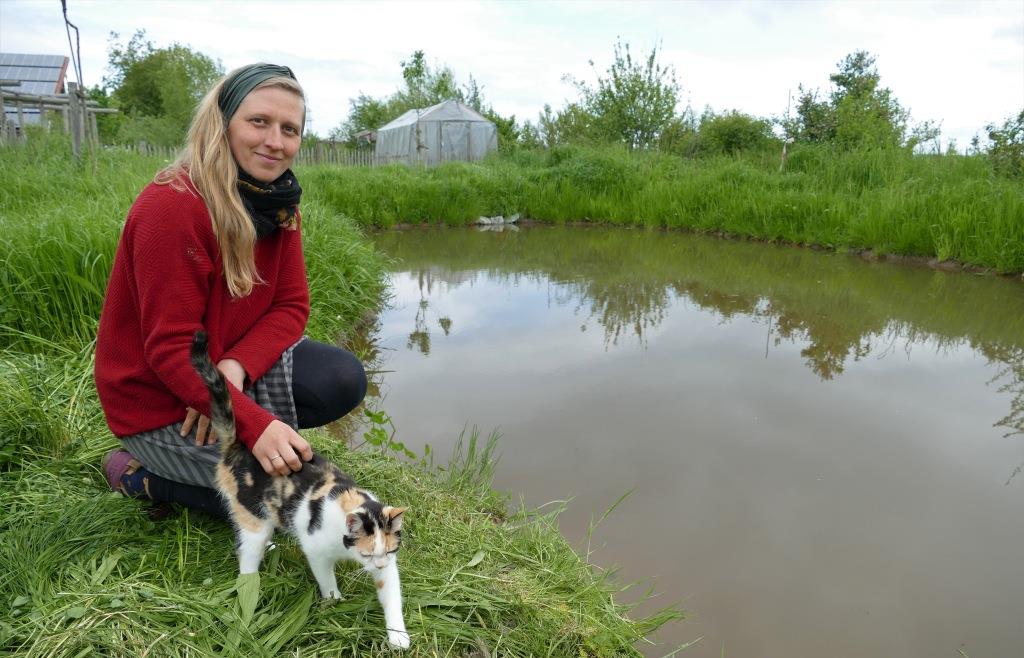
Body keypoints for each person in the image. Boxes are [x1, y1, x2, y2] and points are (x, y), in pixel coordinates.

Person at [96, 63, 367, 519]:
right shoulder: (173, 206)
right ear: (222, 123)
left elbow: (291, 305)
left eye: (289, 129)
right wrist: (256, 425)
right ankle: (137, 474)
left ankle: (226, 444)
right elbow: (171, 349)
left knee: (342, 378)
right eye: (258, 121)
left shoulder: (278, 203)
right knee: (304, 511)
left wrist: (234, 370)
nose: (275, 141)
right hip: (158, 399)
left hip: (217, 370)